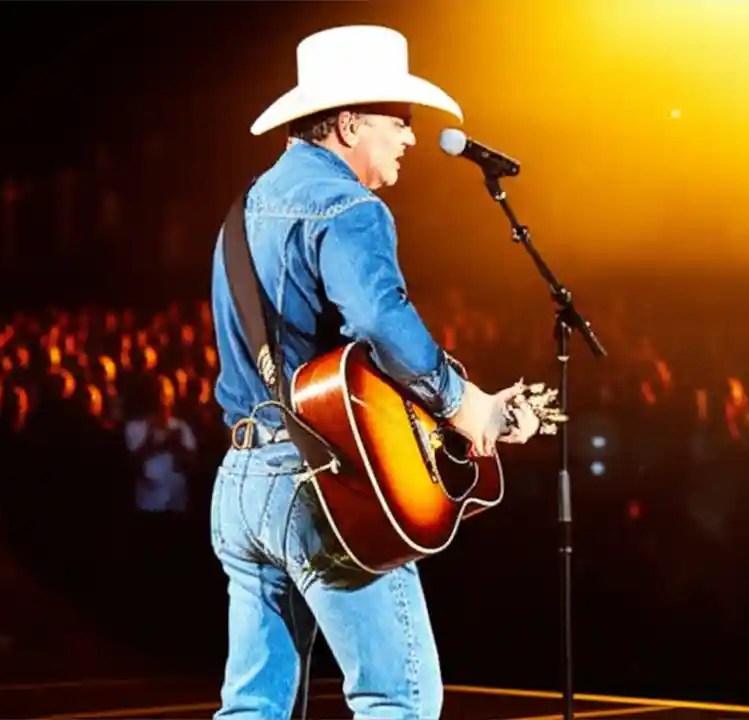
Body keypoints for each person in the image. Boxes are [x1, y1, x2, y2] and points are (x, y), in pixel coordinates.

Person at [207, 25, 540, 720]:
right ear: (350, 123)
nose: (411, 138)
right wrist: (464, 404)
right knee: (400, 699)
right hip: (316, 489)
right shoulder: (350, 208)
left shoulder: (243, 212)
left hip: (239, 484)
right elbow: (382, 328)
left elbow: (332, 373)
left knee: (252, 710)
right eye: (400, 122)